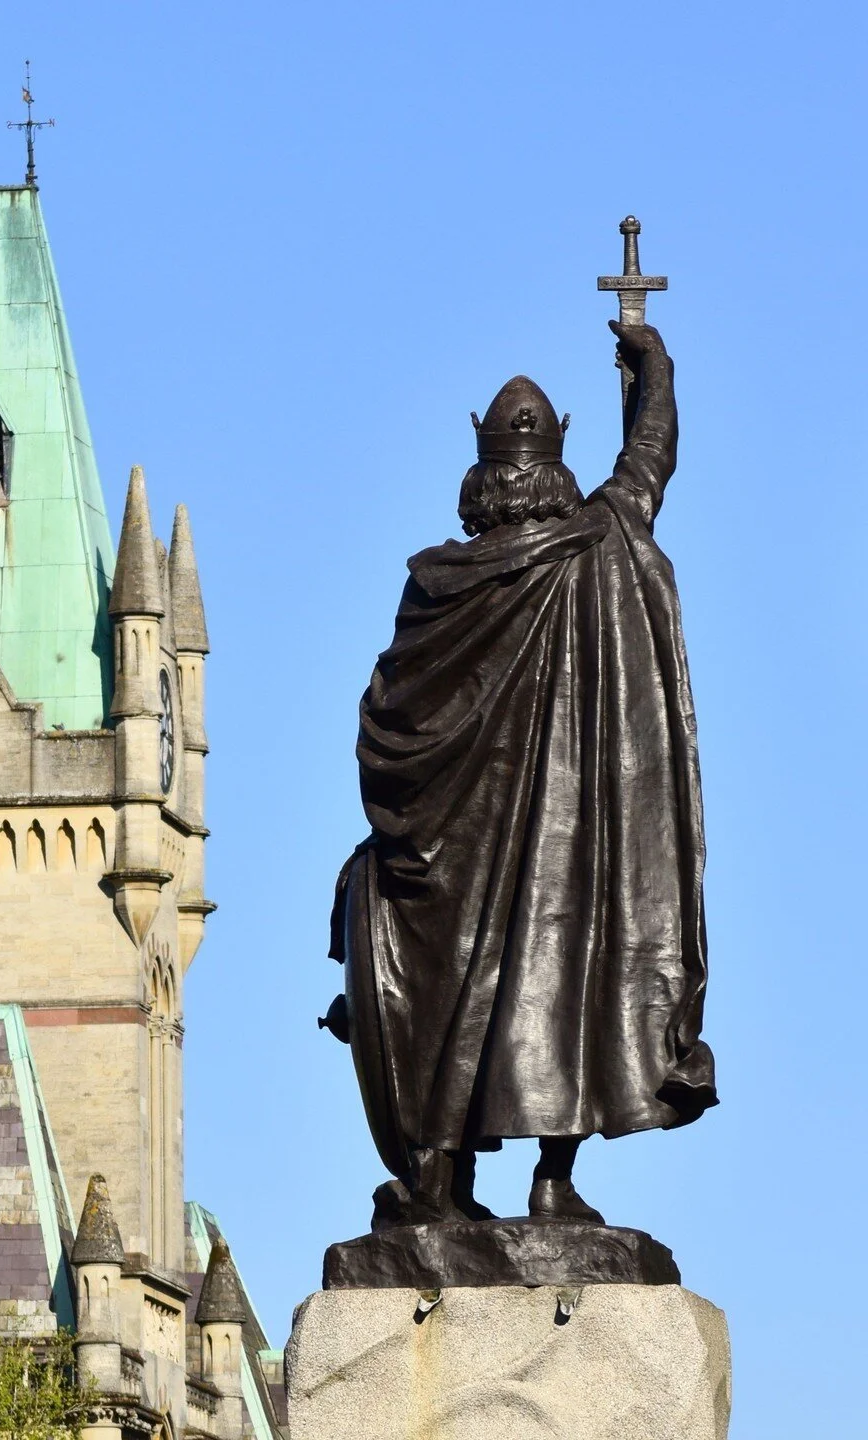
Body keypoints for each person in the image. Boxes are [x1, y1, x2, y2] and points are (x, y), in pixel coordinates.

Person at [326, 320, 717, 1225]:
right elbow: (647, 465)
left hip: (449, 855)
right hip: (559, 843)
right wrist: (654, 369)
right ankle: (551, 1179)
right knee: (566, 980)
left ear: (481, 480)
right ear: (553, 470)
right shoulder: (596, 539)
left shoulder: (438, 584)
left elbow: (388, 718)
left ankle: (439, 1176)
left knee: (455, 993)